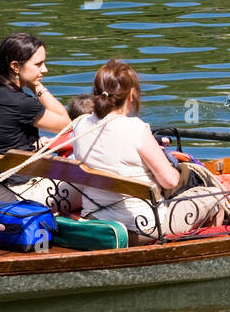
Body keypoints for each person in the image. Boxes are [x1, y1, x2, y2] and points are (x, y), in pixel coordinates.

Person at [69, 60, 186, 238]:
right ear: (131, 94)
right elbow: (169, 181)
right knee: (211, 196)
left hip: (93, 216)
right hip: (141, 225)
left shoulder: (80, 124)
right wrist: (178, 173)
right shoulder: (136, 128)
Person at [0, 32, 75, 208]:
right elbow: (66, 125)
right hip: (19, 197)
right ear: (15, 67)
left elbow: (2, 142)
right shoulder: (20, 103)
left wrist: (33, 146)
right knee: (93, 183)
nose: (45, 70)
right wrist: (38, 87)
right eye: (38, 64)